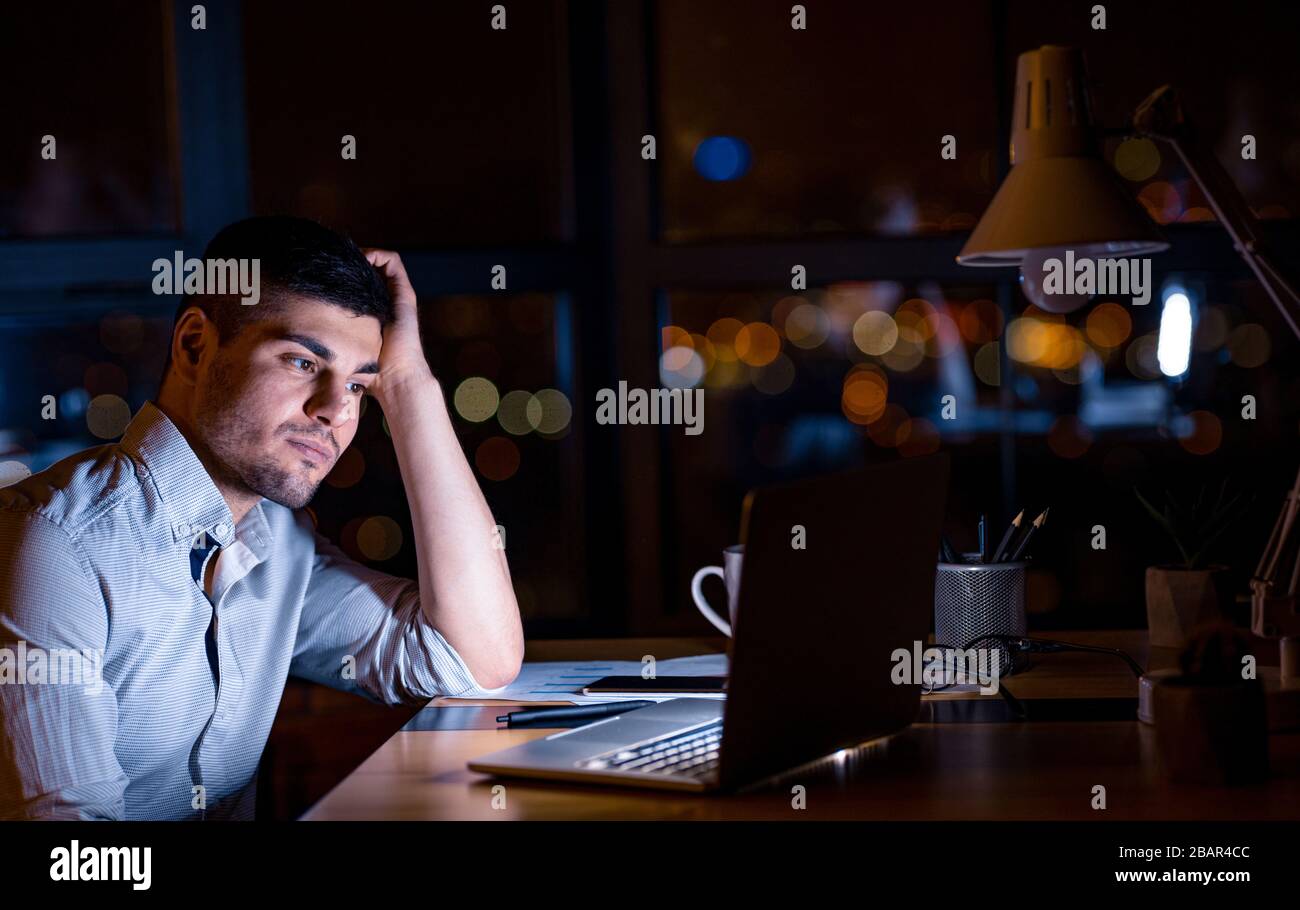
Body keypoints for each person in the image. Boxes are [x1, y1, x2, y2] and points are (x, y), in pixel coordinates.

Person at [0, 216, 524, 819]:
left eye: (357, 386)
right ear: (196, 345)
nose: (335, 410)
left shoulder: (279, 545)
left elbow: (474, 661)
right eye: (303, 362)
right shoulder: (55, 544)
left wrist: (408, 384)